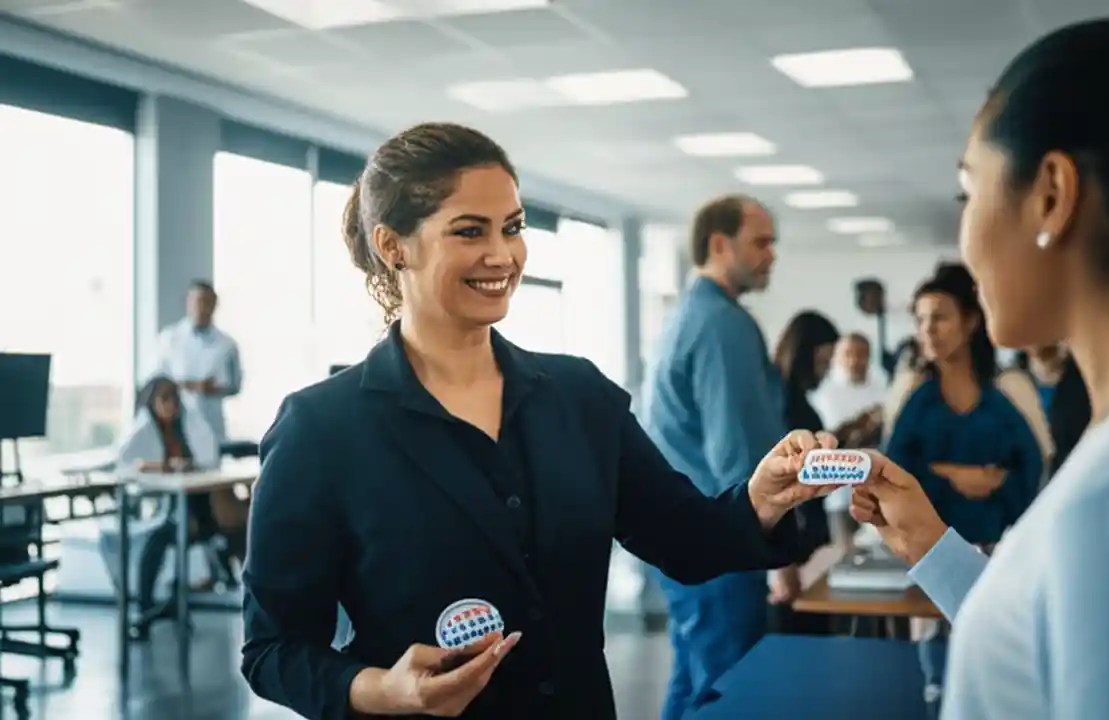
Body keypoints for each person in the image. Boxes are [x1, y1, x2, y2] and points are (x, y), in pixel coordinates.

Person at [239, 123, 838, 720]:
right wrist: (384, 689)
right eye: (469, 231)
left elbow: (682, 536)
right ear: (394, 246)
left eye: (513, 227)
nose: (502, 255)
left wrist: (758, 501)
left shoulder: (579, 398)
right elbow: (274, 648)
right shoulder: (321, 430)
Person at [852, 15, 1109, 718]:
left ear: (1051, 194)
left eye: (970, 191)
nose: (966, 234)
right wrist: (933, 546)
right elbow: (1048, 650)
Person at [638, 193, 790, 720]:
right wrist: (772, 550)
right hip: (721, 545)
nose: (771, 254)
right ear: (720, 244)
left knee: (695, 683)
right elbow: (739, 454)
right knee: (729, 689)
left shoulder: (689, 316)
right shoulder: (723, 325)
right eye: (761, 241)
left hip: (690, 542)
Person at [886, 264, 1044, 708]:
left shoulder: (1004, 398)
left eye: (938, 318)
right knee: (935, 681)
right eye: (919, 320)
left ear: (970, 322)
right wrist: (956, 476)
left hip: (998, 554)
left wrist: (996, 483)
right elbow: (893, 472)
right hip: (932, 553)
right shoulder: (917, 401)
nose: (927, 331)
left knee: (992, 672)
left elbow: (1029, 471)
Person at [106, 375, 238, 637]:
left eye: (175, 400)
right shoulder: (144, 432)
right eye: (164, 400)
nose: (171, 406)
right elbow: (127, 466)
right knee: (156, 540)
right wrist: (162, 467)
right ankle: (146, 609)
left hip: (192, 512)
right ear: (152, 402)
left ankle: (219, 563)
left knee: (207, 515)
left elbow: (206, 458)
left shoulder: (184, 428)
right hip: (161, 511)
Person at [767, 310, 840, 634]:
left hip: (804, 543)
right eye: (823, 361)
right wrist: (782, 561)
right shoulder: (783, 408)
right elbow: (782, 484)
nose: (825, 371)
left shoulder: (791, 402)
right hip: (794, 548)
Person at [154, 280, 242, 446]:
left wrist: (212, 389)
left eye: (207, 302)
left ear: (215, 304)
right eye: (197, 301)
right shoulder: (169, 339)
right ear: (187, 303)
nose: (201, 308)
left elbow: (235, 386)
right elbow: (157, 383)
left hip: (212, 425)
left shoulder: (227, 344)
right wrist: (192, 385)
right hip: (175, 424)